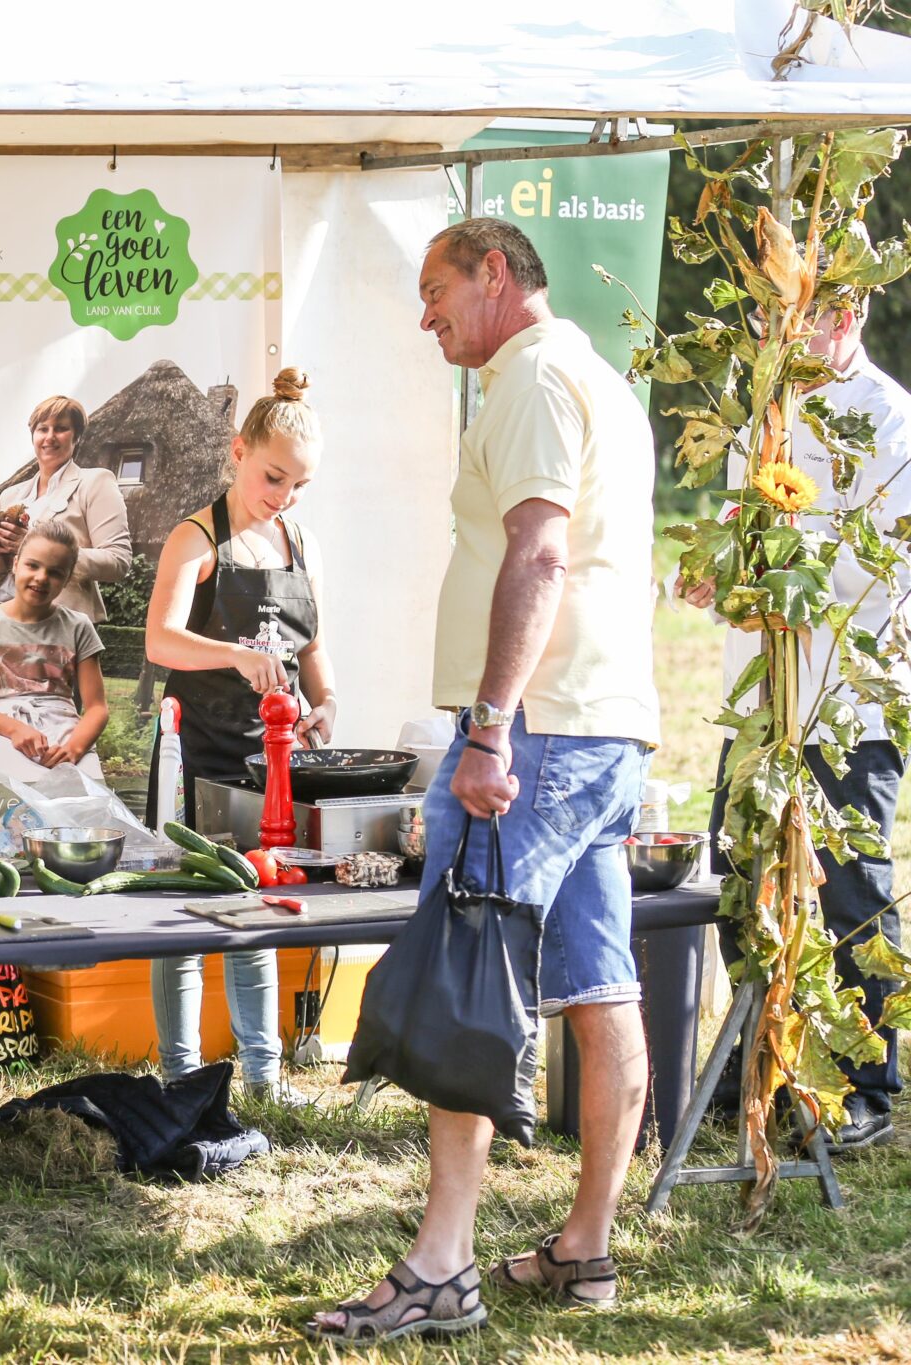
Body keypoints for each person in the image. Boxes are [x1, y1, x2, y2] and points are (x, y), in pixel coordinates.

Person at [311, 219, 658, 1342]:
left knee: (468, 965)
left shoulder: (530, 379)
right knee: (600, 982)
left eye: (435, 290)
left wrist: (490, 729)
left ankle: (438, 1267)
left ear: (494, 275)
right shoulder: (599, 379)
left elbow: (540, 551)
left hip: (538, 732)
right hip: (607, 730)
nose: (424, 316)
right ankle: (584, 1251)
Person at [686, 298, 905, 1154]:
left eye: (799, 318)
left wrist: (784, 564)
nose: (779, 337)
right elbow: (747, 522)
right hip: (767, 694)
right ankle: (755, 1061)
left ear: (846, 312)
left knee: (849, 887)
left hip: (852, 696)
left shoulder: (891, 421)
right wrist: (718, 571)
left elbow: (889, 560)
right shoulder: (766, 409)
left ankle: (864, 1084)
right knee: (736, 865)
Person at [143, 369, 331, 1109]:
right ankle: (180, 1079)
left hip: (268, 760)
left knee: (259, 906)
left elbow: (314, 646)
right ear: (238, 451)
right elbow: (161, 640)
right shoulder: (196, 536)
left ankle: (263, 1076)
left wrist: (328, 702)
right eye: (273, 476)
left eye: (299, 485)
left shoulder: (300, 540)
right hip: (195, 749)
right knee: (186, 915)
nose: (282, 496)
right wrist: (236, 654)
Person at [0, 520, 108, 787]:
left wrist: (74, 749)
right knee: (19, 802)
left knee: (86, 805)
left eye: (55, 572)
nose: (41, 577)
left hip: (66, 733)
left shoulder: (78, 626)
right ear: (16, 563)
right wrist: (14, 729)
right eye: (33, 565)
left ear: (67, 578)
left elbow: (97, 707)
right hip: (3, 733)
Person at [0, 396, 133, 622]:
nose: (50, 437)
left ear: (77, 437)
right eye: (43, 429)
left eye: (61, 429)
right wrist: (1, 566)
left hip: (60, 624)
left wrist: (34, 548)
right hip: (0, 621)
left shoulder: (95, 483)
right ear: (33, 435)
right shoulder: (9, 496)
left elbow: (118, 560)